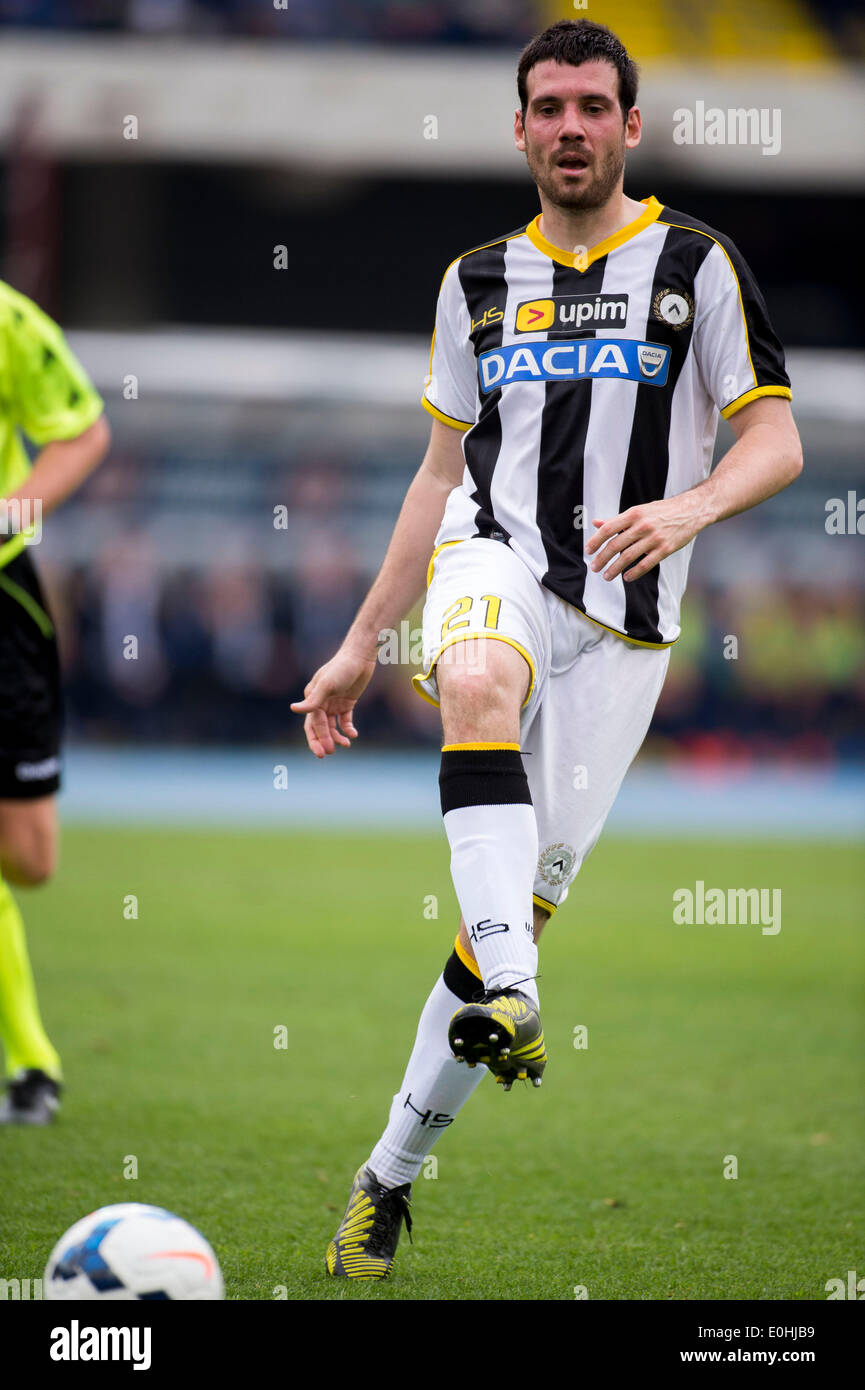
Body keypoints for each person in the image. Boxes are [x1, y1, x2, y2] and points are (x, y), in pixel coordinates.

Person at [291, 18, 802, 1278]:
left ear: (629, 126)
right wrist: (364, 641)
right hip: (494, 561)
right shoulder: (474, 282)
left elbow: (776, 442)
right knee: (469, 673)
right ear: (519, 128)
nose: (570, 126)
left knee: (492, 929)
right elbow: (432, 475)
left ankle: (388, 1173)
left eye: (592, 106)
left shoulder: (698, 265)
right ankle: (517, 993)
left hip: (626, 628)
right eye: (548, 106)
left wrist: (682, 509)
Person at [0, 279, 110, 1123]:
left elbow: (80, 432)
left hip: (4, 598)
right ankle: (32, 1066)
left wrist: (12, 513)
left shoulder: (7, 319)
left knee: (29, 859)